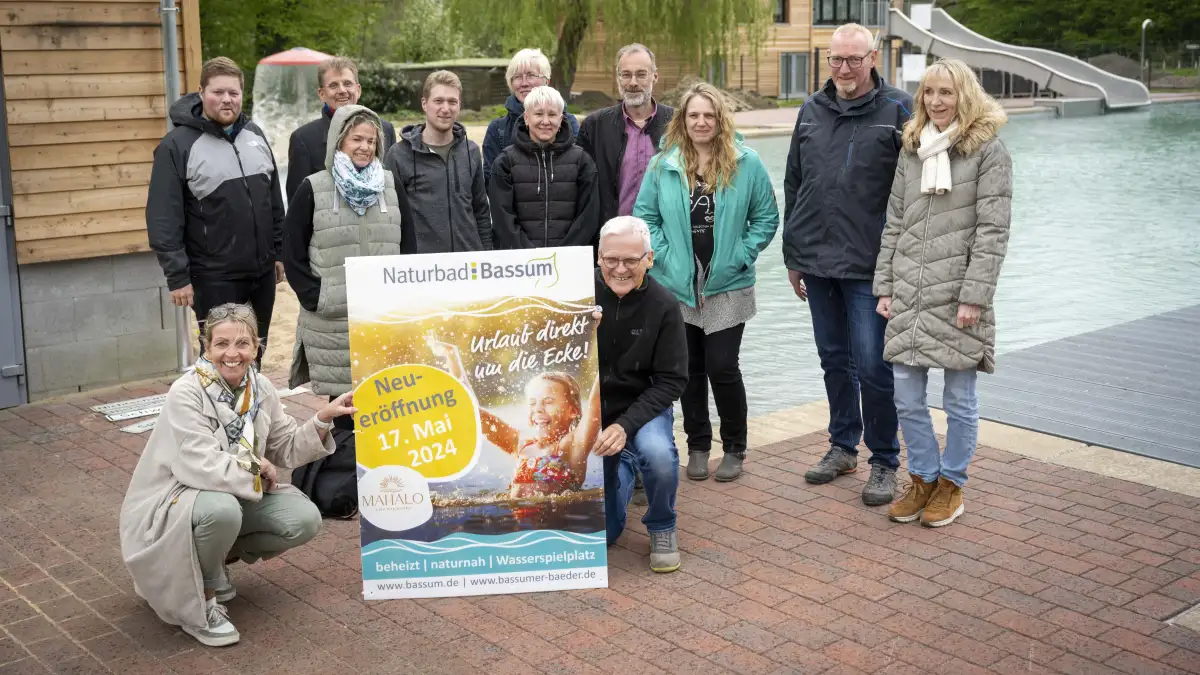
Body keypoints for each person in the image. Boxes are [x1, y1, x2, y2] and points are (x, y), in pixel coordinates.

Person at [119, 303, 356, 647]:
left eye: (243, 344)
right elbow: (198, 464)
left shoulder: (259, 387)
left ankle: (211, 561)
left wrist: (324, 418)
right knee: (221, 511)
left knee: (303, 518)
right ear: (206, 347)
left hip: (232, 491)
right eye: (222, 344)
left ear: (257, 347)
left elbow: (286, 446)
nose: (232, 354)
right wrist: (257, 469)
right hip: (177, 497)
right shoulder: (186, 392)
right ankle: (201, 603)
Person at [874, 58, 1011, 528]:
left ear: (965, 96)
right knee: (907, 397)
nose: (936, 101)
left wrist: (975, 295)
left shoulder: (989, 152)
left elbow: (993, 231)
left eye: (946, 93)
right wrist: (885, 286)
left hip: (958, 296)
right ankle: (924, 479)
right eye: (929, 92)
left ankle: (952, 485)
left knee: (958, 400)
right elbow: (894, 222)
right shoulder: (912, 148)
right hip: (909, 292)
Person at [781, 23, 914, 505]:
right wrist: (793, 254)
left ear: (872, 58)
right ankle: (842, 446)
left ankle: (884, 461)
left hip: (870, 266)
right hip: (816, 262)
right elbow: (795, 183)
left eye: (853, 60)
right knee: (833, 359)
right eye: (836, 59)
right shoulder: (811, 110)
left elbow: (914, 193)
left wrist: (899, 266)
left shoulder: (899, 110)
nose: (843, 69)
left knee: (874, 366)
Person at [634, 82, 779, 483]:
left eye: (709, 116)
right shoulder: (663, 165)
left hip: (727, 284)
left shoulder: (746, 162)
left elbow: (766, 218)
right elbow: (645, 216)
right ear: (683, 120)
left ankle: (734, 447)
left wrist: (741, 254)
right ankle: (698, 444)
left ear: (720, 120)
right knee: (689, 369)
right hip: (677, 284)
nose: (701, 122)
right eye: (693, 115)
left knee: (722, 366)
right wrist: (664, 256)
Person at [282, 104, 403, 518]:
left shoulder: (390, 184)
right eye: (357, 140)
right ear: (340, 141)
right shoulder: (313, 187)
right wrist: (316, 296)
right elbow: (292, 249)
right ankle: (339, 483)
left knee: (385, 402)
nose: (365, 147)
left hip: (383, 314)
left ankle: (377, 485)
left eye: (371, 140)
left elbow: (412, 241)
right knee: (346, 404)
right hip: (333, 316)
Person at [577, 43, 674, 505]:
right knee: (607, 349)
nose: (633, 82)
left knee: (665, 352)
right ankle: (618, 451)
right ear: (617, 79)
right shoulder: (595, 125)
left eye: (641, 74)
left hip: (654, 258)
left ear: (655, 76)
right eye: (625, 75)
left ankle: (663, 450)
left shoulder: (674, 123)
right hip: (610, 255)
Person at [146, 57, 285, 366]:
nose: (226, 100)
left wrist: (278, 253)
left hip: (261, 274)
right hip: (213, 276)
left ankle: (249, 413)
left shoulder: (256, 137)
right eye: (218, 92)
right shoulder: (176, 146)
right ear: (201, 93)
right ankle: (217, 415)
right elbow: (163, 216)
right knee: (222, 357)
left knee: (254, 352)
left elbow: (274, 201)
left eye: (233, 93)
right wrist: (177, 275)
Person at [594, 216, 688, 573]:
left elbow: (672, 381)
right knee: (607, 534)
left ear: (649, 258)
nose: (620, 269)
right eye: (611, 259)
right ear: (599, 256)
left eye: (631, 261)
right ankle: (625, 470)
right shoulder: (578, 295)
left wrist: (624, 426)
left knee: (659, 454)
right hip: (591, 409)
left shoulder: (664, 304)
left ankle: (662, 524)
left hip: (643, 407)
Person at [433, 340, 602, 498]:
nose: (538, 409)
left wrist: (608, 338)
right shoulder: (521, 446)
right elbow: (472, 411)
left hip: (556, 526)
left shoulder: (571, 447)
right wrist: (452, 357)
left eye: (548, 402)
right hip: (518, 527)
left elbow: (596, 405)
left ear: (572, 411)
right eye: (532, 403)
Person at [385, 70, 492, 253]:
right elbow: (391, 218)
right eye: (438, 101)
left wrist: (487, 254)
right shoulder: (398, 155)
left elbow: (481, 211)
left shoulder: (471, 151)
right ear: (424, 104)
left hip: (468, 265)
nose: (446, 108)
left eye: (452, 102)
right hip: (423, 269)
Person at [488, 86, 599, 250]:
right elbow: (502, 216)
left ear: (561, 119)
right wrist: (530, 254)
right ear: (526, 117)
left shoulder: (582, 161)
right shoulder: (505, 162)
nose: (545, 121)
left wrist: (564, 252)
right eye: (539, 114)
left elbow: (589, 214)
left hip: (569, 258)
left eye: (552, 114)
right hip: (521, 262)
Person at [286, 56, 397, 201]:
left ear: (358, 89)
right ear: (322, 94)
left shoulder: (384, 130)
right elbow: (297, 203)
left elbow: (393, 189)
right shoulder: (304, 139)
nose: (342, 90)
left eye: (347, 83)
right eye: (333, 85)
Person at [483, 48, 580, 185]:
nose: (524, 83)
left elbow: (578, 174)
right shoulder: (498, 130)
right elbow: (491, 181)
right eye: (517, 77)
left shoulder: (568, 123)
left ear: (547, 81)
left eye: (531, 75)